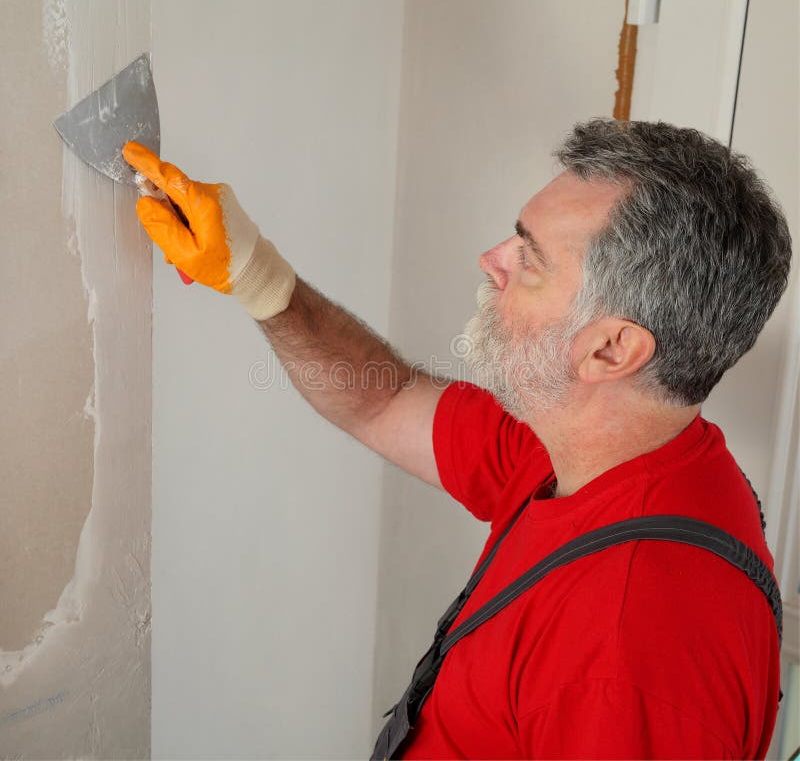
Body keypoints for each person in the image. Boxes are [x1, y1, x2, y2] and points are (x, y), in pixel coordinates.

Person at [123, 118, 792, 759]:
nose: (492, 261)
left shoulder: (630, 649)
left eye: (529, 260)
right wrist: (257, 276)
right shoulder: (586, 446)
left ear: (612, 349)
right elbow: (383, 403)